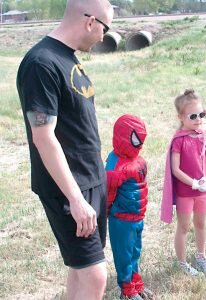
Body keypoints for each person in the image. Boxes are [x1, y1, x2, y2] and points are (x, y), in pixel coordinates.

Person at [16, 1, 113, 299]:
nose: (103, 36)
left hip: (90, 179)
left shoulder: (68, 58)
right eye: (105, 29)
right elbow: (43, 137)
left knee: (81, 269)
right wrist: (75, 199)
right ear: (89, 22)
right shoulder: (41, 63)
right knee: (95, 277)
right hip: (67, 188)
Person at [161, 89, 206, 276]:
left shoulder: (205, 136)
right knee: (184, 226)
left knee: (201, 223)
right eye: (193, 116)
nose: (199, 119)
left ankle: (201, 256)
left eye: (201, 114)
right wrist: (193, 183)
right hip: (186, 192)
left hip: (203, 192)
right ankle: (182, 262)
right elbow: (175, 169)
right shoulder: (179, 140)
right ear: (181, 117)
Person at [105, 115, 154, 300]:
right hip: (121, 220)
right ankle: (127, 291)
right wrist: (106, 213)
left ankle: (136, 285)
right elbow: (108, 194)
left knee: (135, 252)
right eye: (136, 139)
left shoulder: (138, 161)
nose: (140, 144)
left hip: (137, 218)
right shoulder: (115, 165)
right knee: (124, 256)